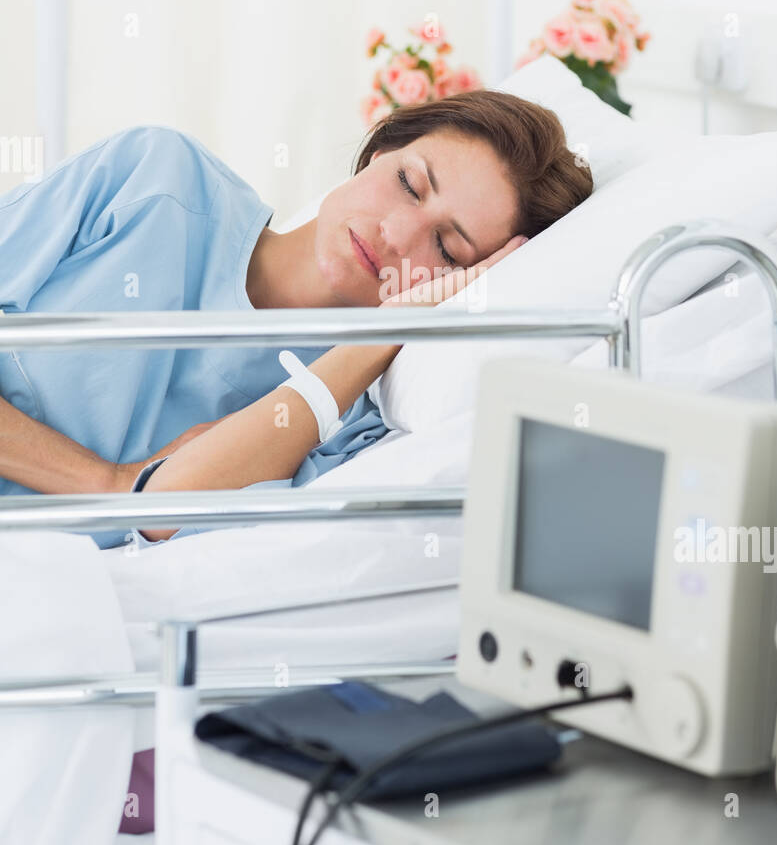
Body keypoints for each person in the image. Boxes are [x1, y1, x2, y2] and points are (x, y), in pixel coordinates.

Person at [0, 91, 592, 548]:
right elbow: (136, 497)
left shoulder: (351, 417)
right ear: (378, 152)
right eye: (409, 184)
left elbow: (164, 516)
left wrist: (380, 336)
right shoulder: (156, 178)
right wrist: (105, 483)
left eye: (446, 249)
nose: (396, 233)